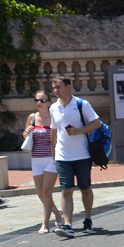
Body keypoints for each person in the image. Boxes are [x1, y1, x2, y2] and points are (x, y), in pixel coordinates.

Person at [49, 77, 103, 238]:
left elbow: (96, 123)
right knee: (66, 189)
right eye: (53, 87)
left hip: (82, 155)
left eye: (58, 87)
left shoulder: (81, 104)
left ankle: (87, 218)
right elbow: (53, 132)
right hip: (62, 156)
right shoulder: (53, 108)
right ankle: (68, 225)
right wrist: (53, 154)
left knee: (85, 188)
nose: (56, 90)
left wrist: (79, 131)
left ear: (68, 87)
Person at [23, 90, 58, 233]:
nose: (39, 103)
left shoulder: (54, 117)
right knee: (40, 193)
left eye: (42, 100)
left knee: (46, 191)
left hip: (51, 158)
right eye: (36, 100)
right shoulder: (32, 117)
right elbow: (25, 135)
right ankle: (57, 213)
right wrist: (27, 131)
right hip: (36, 159)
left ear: (49, 102)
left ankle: (45, 224)